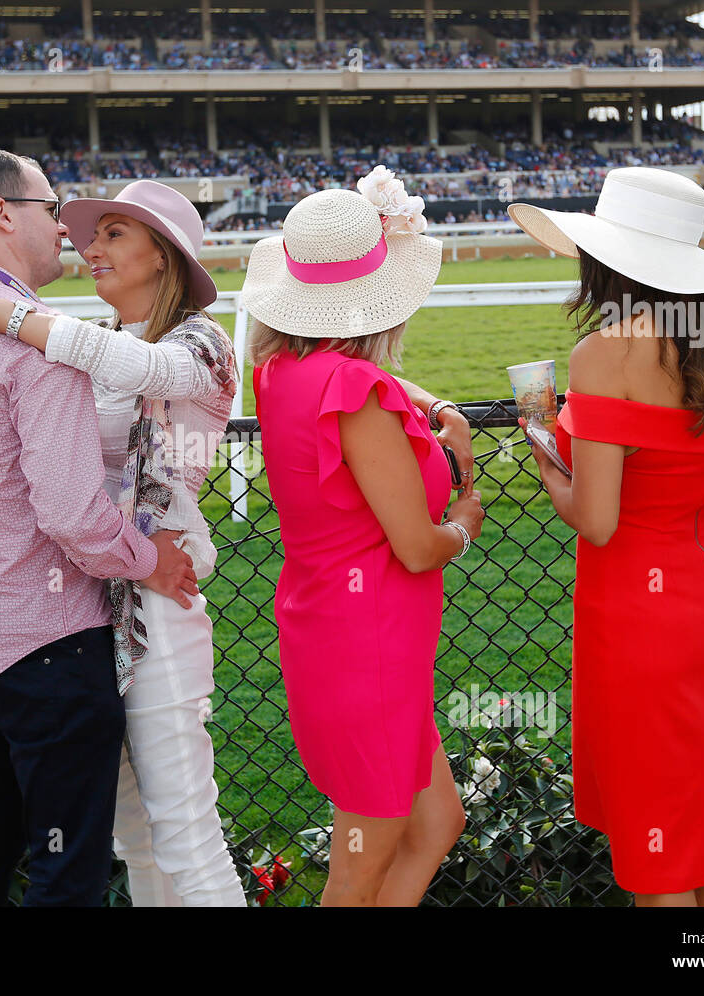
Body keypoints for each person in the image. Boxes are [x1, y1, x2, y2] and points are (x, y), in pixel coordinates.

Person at [0, 179, 247, 906]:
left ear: (165, 256)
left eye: (114, 234)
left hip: (158, 605)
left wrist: (6, 311)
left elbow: (148, 373)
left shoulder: (204, 341)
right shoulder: (102, 343)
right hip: (91, 612)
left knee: (186, 834)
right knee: (137, 843)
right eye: (88, 234)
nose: (89, 247)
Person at [507, 165, 704, 906]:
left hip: (639, 613)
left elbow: (599, 518)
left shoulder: (603, 354)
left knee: (655, 853)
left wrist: (550, 463)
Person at [241, 177, 485, 906]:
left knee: (438, 821)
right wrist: (465, 526)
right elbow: (416, 546)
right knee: (353, 875)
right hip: (371, 646)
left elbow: (363, 383)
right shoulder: (359, 392)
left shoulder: (283, 371)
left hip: (342, 634)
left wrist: (439, 407)